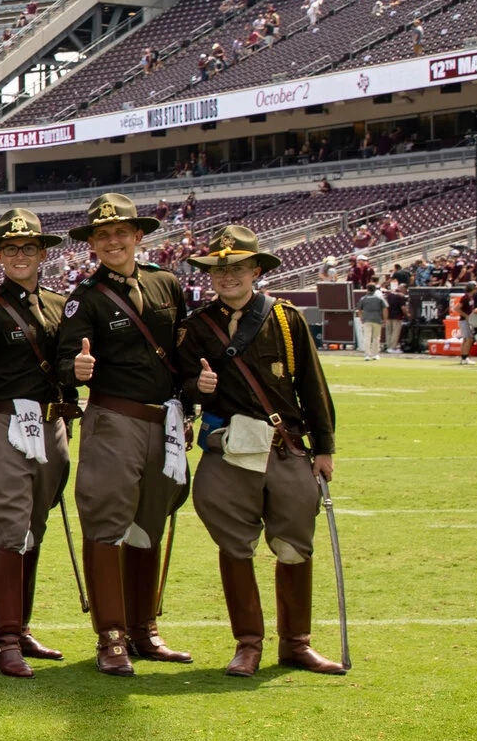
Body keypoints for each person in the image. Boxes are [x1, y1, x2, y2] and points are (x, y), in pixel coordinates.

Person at [178, 227, 346, 676]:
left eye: (236, 268)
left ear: (255, 270)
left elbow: (312, 385)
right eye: (219, 269)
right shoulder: (196, 327)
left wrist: (324, 449)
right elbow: (180, 387)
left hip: (285, 448)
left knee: (294, 546)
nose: (227, 276)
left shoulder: (286, 319)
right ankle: (247, 645)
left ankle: (296, 644)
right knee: (235, 546)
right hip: (228, 451)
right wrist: (198, 386)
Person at [56, 193, 193, 676]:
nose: (113, 241)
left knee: (149, 523)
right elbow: (62, 362)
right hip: (114, 419)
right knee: (107, 524)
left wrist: (190, 409)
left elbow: (183, 352)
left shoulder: (166, 284)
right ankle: (110, 636)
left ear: (139, 236)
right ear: (91, 244)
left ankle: (144, 630)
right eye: (103, 235)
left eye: (121, 233)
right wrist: (77, 367)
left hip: (165, 421)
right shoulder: (86, 298)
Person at [0, 210, 74, 677]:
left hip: (49, 427)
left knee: (34, 528)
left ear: (42, 253)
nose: (20, 256)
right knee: (8, 529)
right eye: (11, 249)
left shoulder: (62, 305)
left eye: (28, 248)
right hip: (4, 425)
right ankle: (5, 641)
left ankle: (20, 627)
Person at [356, 285, 387, 359]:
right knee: (376, 337)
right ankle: (375, 354)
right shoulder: (379, 298)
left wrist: (361, 318)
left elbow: (359, 310)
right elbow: (385, 309)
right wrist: (385, 319)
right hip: (377, 319)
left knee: (367, 337)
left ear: (367, 289)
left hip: (366, 319)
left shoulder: (363, 299)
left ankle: (367, 355)